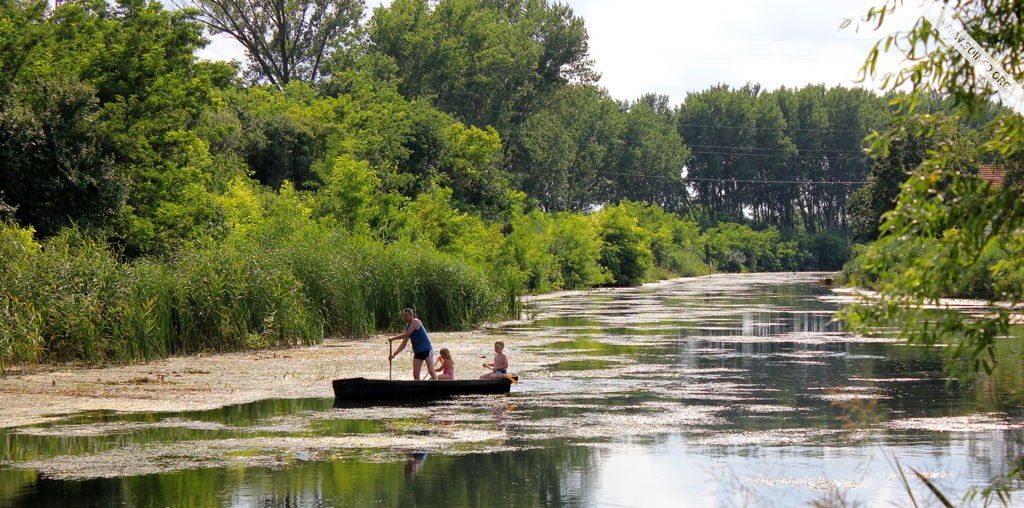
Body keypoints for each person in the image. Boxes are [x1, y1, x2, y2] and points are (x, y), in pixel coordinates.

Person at [388, 308, 437, 380]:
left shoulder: (416, 322)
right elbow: (403, 344)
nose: (404, 318)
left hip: (426, 350)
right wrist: (394, 355)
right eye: (403, 316)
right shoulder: (408, 327)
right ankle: (418, 389)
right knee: (415, 373)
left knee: (431, 370)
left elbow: (407, 334)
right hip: (418, 352)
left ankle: (436, 386)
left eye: (406, 316)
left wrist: (393, 338)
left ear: (411, 315)